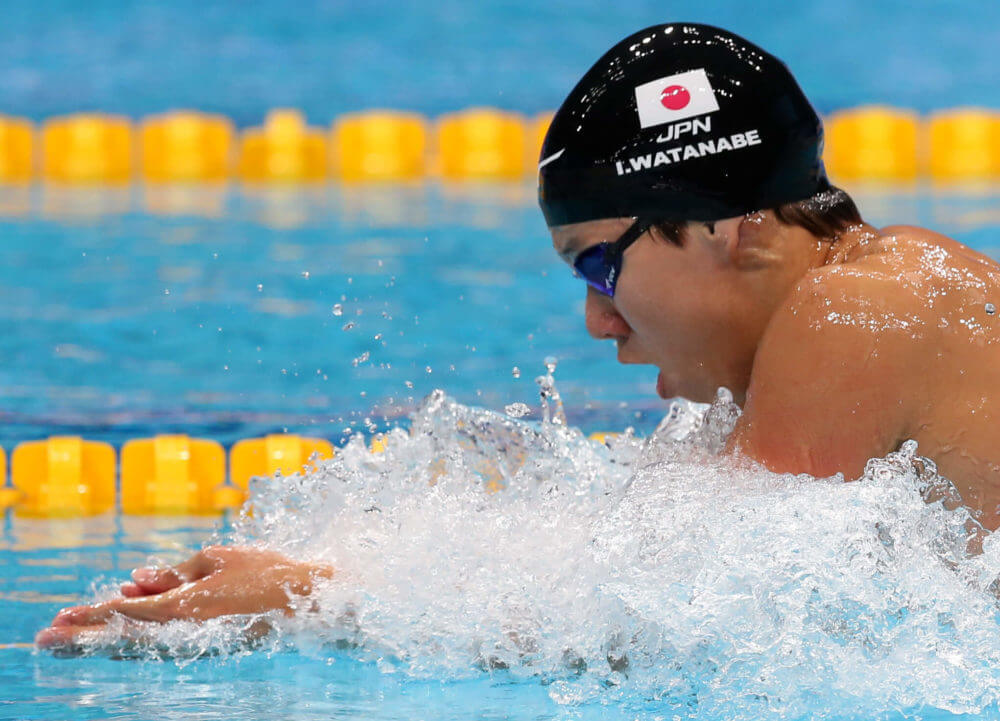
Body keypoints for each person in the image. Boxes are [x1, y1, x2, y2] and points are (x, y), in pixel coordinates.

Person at [36, 22, 1000, 650]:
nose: (598, 320)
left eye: (599, 265)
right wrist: (314, 569)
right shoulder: (874, 298)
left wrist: (316, 599)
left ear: (724, 228)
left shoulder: (857, 314)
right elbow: (652, 564)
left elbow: (687, 615)